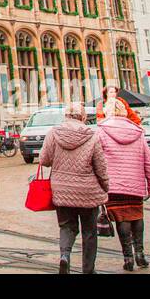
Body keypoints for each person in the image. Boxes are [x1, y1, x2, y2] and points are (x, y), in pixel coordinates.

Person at [39, 102, 110, 274]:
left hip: (62, 190)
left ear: (66, 116)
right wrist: (105, 186)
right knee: (89, 231)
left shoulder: (53, 133)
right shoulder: (92, 136)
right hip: (88, 192)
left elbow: (44, 160)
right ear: (83, 117)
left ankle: (65, 256)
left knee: (66, 226)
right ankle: (88, 269)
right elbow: (100, 167)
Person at [97, 104, 150, 271]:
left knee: (121, 217)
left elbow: (97, 159)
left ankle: (128, 257)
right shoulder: (137, 132)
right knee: (137, 215)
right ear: (124, 112)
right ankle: (140, 253)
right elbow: (149, 161)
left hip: (113, 184)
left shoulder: (101, 131)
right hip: (135, 182)